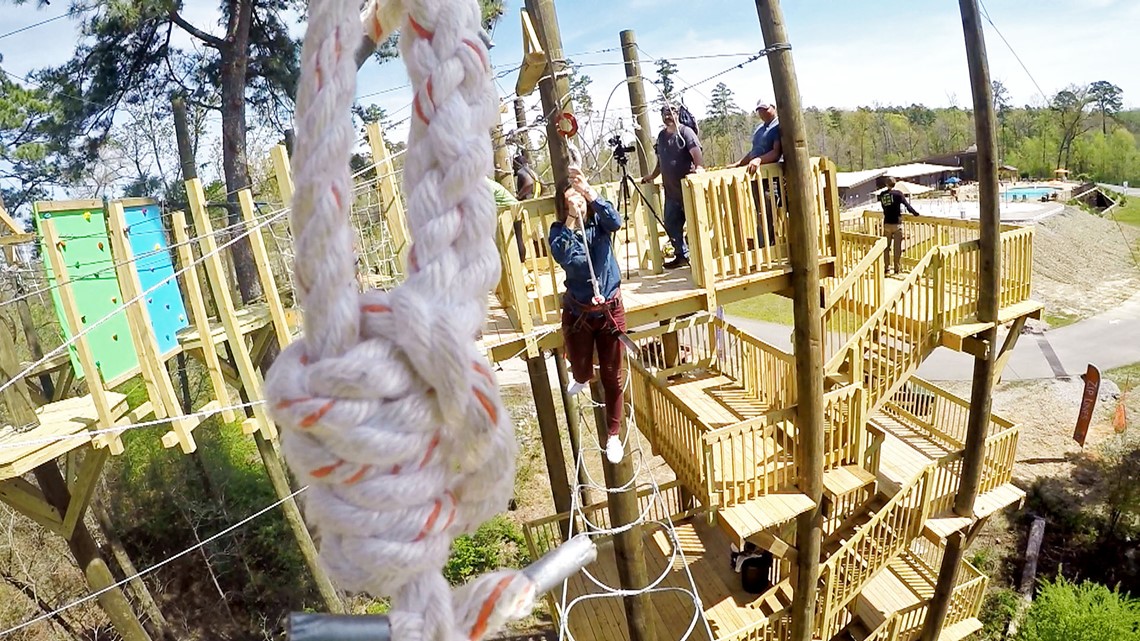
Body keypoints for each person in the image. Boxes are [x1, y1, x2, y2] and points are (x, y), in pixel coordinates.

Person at [549, 167, 627, 465]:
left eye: (580, 201)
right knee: (580, 365)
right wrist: (570, 218)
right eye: (572, 203)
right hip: (579, 311)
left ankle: (613, 434)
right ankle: (581, 376)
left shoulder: (600, 225)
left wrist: (590, 194)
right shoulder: (561, 232)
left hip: (608, 310)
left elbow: (616, 220)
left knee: (612, 375)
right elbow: (563, 256)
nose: (578, 206)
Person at [641, 104, 704, 269]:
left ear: (677, 114)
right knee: (670, 224)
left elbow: (696, 152)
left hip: (687, 189)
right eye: (664, 113)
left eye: (671, 112)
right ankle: (681, 255)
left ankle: (699, 259)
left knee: (694, 224)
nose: (667, 116)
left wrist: (699, 168)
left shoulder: (685, 132)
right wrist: (652, 176)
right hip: (671, 192)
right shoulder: (661, 136)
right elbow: (661, 161)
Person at [736, 100, 783, 245]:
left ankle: (772, 245)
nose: (762, 113)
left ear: (773, 107)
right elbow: (754, 151)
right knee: (760, 211)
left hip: (771, 178)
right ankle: (765, 244)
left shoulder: (778, 126)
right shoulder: (759, 129)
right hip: (757, 178)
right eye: (759, 110)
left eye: (765, 109)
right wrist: (738, 163)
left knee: (770, 210)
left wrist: (759, 161)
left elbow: (776, 153)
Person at [877, 177, 921, 275]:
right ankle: (897, 269)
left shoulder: (882, 195)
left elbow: (884, 207)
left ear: (886, 184)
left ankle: (887, 268)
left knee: (886, 248)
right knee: (897, 248)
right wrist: (916, 214)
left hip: (887, 224)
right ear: (895, 184)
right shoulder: (898, 194)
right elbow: (908, 206)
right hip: (897, 224)